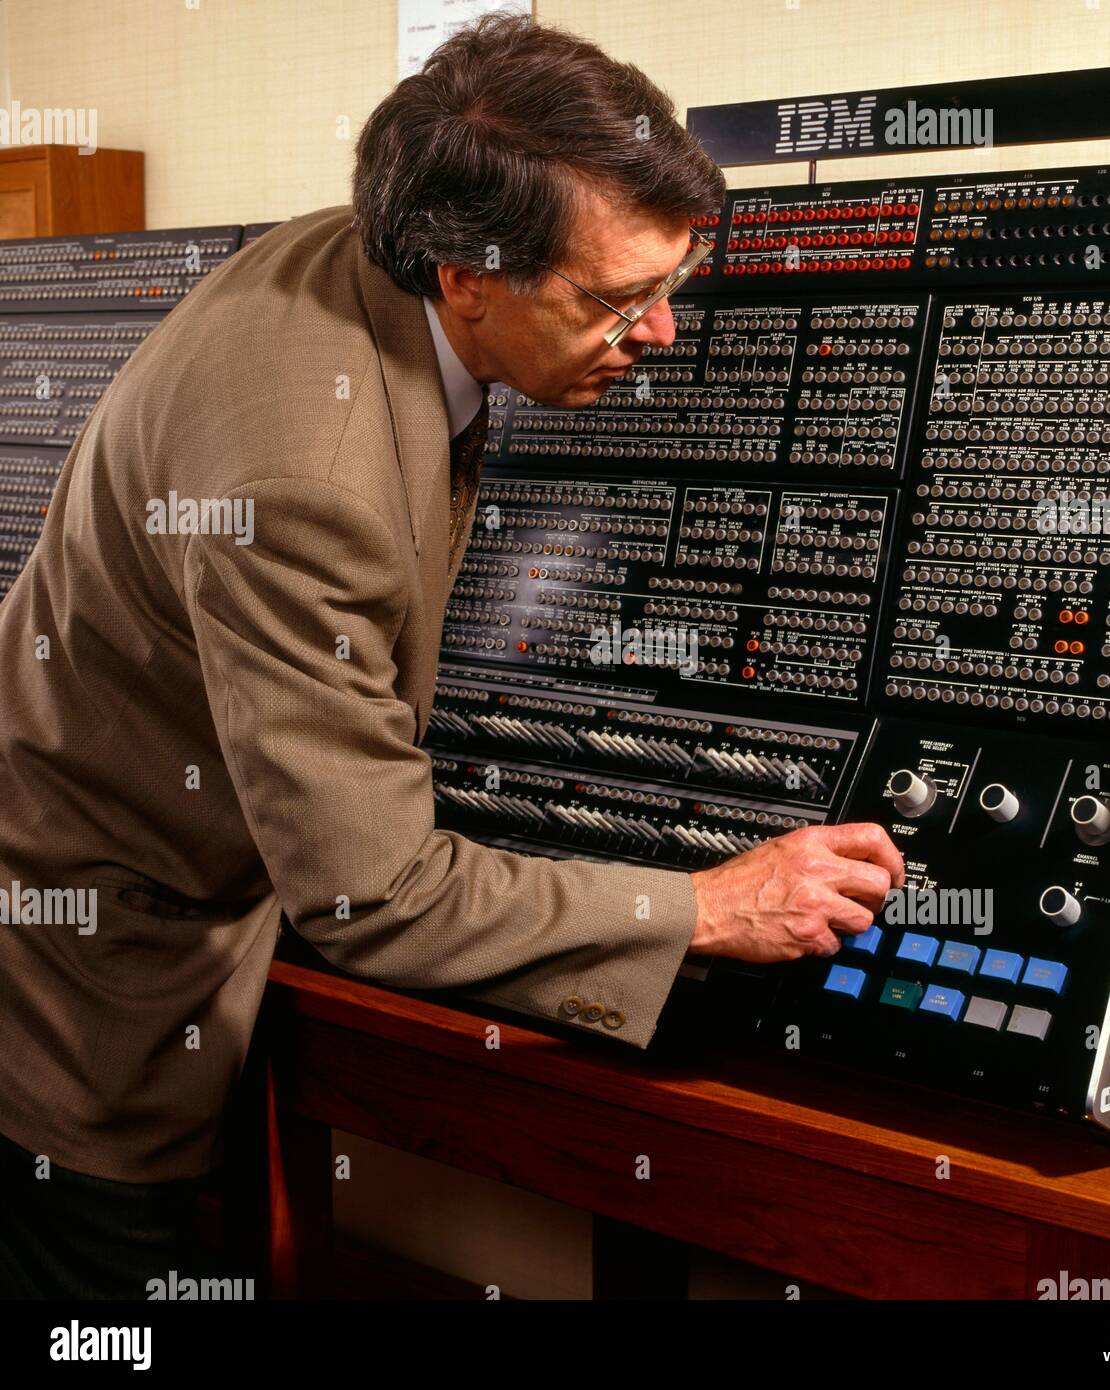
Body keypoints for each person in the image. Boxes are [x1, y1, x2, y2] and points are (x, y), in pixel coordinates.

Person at [0, 12, 903, 1297]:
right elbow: (372, 893)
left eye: (670, 285)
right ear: (465, 274)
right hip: (85, 968)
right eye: (612, 300)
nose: (658, 336)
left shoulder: (383, 245)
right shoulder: (302, 482)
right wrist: (705, 905)